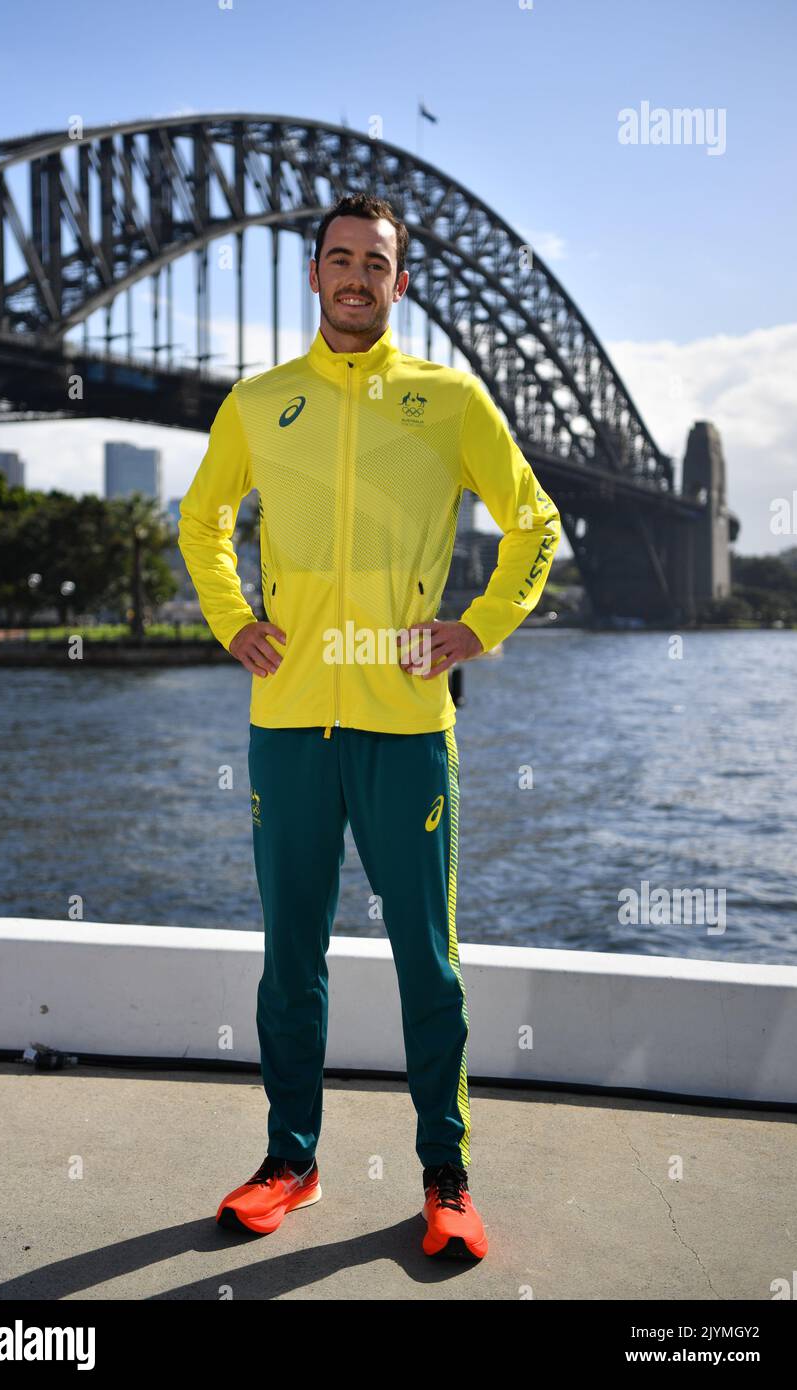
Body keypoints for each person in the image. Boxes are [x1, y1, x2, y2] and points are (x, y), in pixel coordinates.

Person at [178, 192, 561, 1261]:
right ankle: (289, 1163)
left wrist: (477, 628)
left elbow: (534, 519)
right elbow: (201, 519)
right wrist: (232, 618)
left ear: (402, 281)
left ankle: (444, 1175)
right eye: (338, 259)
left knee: (424, 961)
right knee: (288, 955)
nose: (355, 277)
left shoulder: (448, 401)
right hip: (290, 721)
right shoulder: (259, 402)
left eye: (375, 263)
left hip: (405, 726)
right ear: (313, 276)